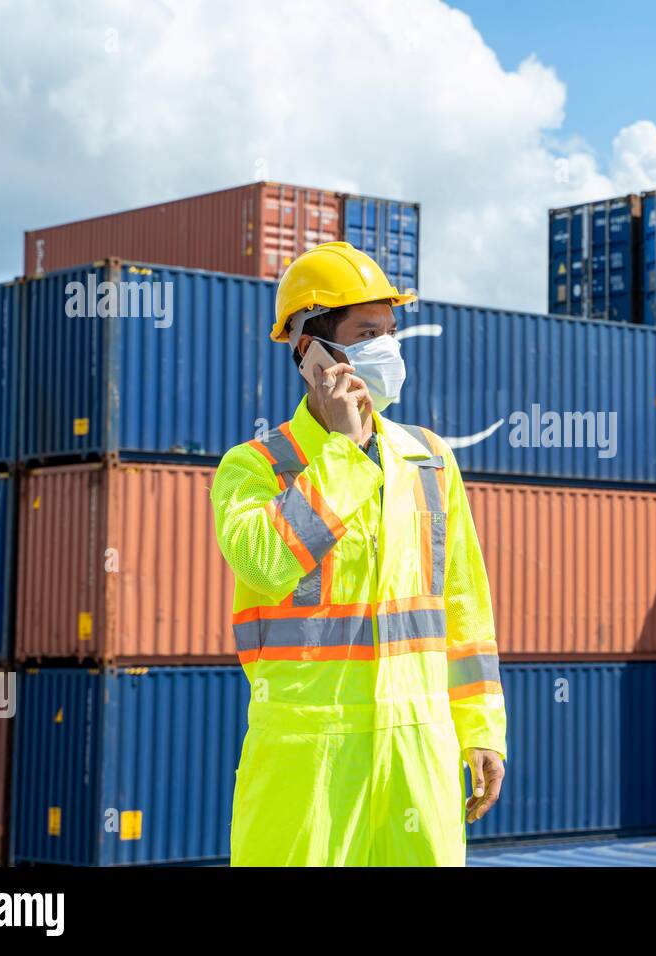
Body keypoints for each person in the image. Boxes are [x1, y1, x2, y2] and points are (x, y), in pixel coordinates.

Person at [211, 240, 506, 866]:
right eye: (367, 332)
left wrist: (479, 727)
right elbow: (265, 562)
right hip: (308, 752)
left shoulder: (429, 458)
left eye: (391, 332)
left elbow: (464, 606)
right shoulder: (255, 467)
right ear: (309, 347)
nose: (387, 350)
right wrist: (344, 452)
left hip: (419, 748)